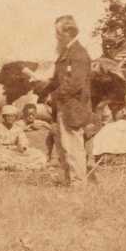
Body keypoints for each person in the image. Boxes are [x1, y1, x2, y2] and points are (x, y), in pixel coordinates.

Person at [41, 15, 94, 186]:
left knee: (73, 146)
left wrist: (53, 95)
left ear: (69, 32)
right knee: (65, 145)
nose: (56, 37)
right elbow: (59, 80)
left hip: (73, 107)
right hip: (64, 106)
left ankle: (78, 183)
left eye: (58, 33)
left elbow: (75, 84)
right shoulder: (67, 53)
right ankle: (70, 180)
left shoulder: (78, 54)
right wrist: (45, 88)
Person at [0, 104, 45, 172]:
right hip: (2, 151)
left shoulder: (18, 128)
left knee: (38, 154)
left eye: (13, 116)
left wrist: (22, 147)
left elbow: (23, 140)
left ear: (15, 118)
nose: (10, 118)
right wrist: (7, 149)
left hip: (15, 151)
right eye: (8, 116)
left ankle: (17, 165)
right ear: (3, 117)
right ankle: (14, 165)